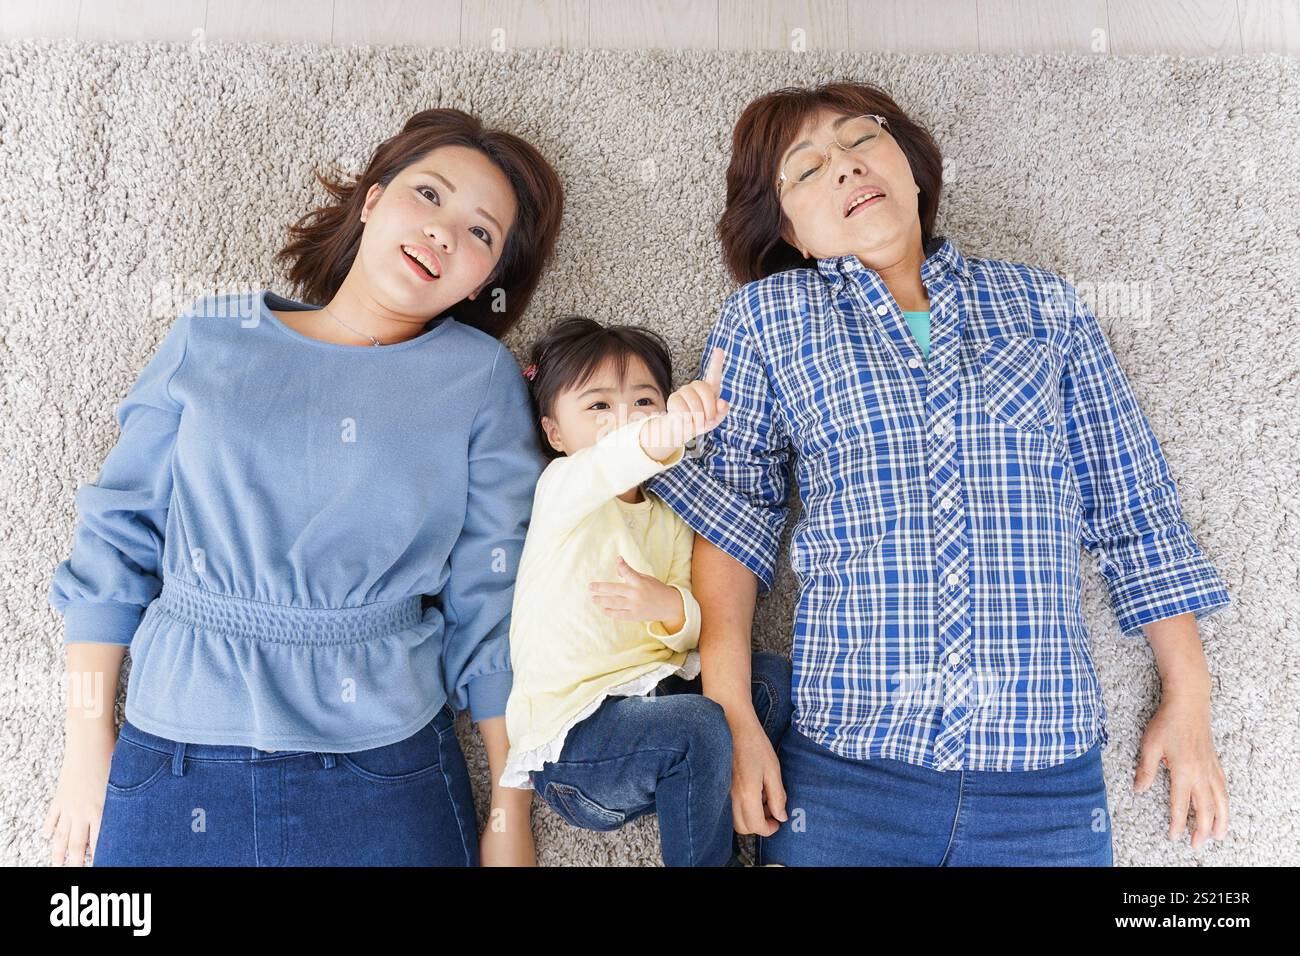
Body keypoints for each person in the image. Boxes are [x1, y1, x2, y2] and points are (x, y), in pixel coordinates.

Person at [645, 81, 1232, 866]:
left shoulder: (1044, 305)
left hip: (1046, 786)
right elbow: (733, 525)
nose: (847, 168)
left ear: (914, 168)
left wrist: (1188, 699)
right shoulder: (766, 320)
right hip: (847, 776)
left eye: (861, 141)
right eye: (808, 169)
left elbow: (1132, 501)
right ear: (789, 230)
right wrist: (734, 719)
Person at [43, 108, 564, 866]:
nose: (446, 232)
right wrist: (88, 746)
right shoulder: (211, 334)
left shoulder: (477, 379)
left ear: (490, 279)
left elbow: (495, 598)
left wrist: (509, 809)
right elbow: (114, 539)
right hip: (176, 750)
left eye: (482, 233)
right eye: (429, 194)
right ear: (373, 199)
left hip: (382, 764)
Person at [498, 317, 793, 866]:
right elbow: (614, 459)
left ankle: (698, 792)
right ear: (555, 433)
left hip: (655, 714)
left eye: (643, 401)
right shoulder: (565, 489)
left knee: (769, 682)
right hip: (576, 746)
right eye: (599, 406)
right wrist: (663, 431)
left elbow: (698, 623)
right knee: (699, 724)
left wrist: (669, 606)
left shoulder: (671, 513)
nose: (625, 419)